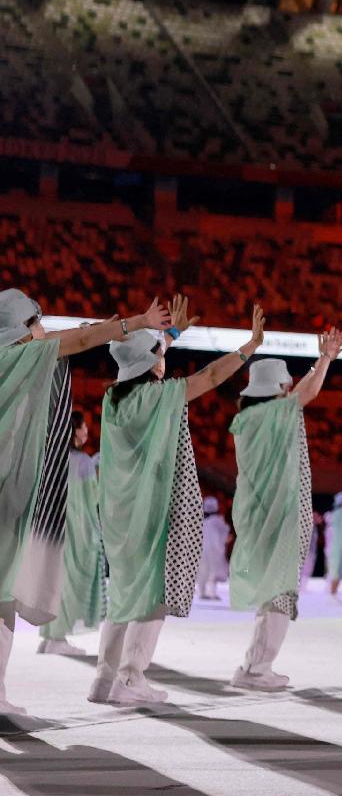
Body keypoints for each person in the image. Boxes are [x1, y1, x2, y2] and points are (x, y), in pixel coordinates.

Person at [1, 289, 173, 714]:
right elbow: (78, 340)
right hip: (6, 499)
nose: (42, 330)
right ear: (19, 330)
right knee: (2, 596)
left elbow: (78, 335)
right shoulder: (22, 356)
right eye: (36, 323)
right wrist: (138, 321)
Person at [94, 300, 266, 706]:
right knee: (154, 594)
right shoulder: (162, 396)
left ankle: (103, 678)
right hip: (154, 510)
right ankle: (131, 677)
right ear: (150, 363)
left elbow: (146, 360)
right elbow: (210, 376)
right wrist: (250, 346)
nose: (163, 357)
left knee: (124, 594)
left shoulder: (113, 399)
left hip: (120, 512)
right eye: (159, 352)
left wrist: (171, 336)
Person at [227, 332, 342, 690]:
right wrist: (324, 360)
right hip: (276, 517)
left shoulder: (247, 420)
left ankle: (253, 665)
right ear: (277, 389)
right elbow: (307, 393)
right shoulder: (273, 415)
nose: (290, 389)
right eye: (285, 385)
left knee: (271, 592)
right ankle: (258, 668)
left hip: (257, 514)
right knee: (279, 593)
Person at [38, 414, 105, 659]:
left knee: (55, 581)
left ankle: (50, 636)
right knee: (72, 583)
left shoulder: (52, 458)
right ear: (75, 430)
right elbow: (92, 497)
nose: (87, 430)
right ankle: (57, 637)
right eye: (83, 426)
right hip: (77, 530)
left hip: (53, 529)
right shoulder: (83, 462)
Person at [198, 497, 231, 601]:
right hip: (214, 550)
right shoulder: (218, 521)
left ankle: (203, 592)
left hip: (202, 550)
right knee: (212, 572)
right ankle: (211, 592)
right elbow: (225, 533)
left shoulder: (200, 521)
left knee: (203, 571)